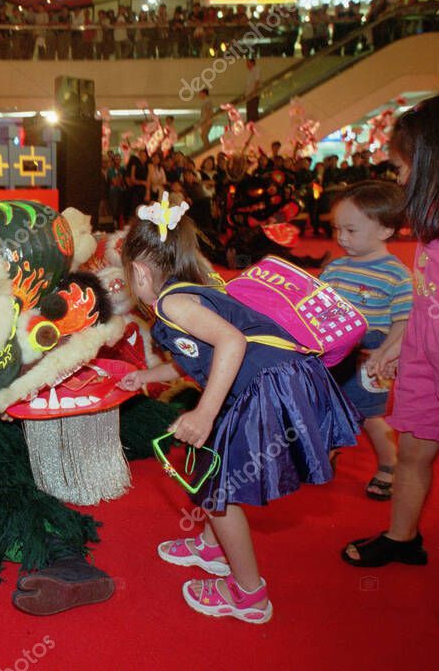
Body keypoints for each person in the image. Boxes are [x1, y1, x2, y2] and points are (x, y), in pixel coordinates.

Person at [118, 201, 358, 624]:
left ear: (139, 270)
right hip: (268, 384)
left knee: (217, 487)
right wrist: (146, 377)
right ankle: (213, 549)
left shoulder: (175, 304)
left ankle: (249, 594)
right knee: (217, 477)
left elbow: (231, 344)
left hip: (268, 389)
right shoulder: (187, 293)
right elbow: (197, 356)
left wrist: (205, 414)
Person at [342, 92, 439, 590]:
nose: (402, 178)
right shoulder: (433, 228)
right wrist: (395, 346)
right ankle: (403, 537)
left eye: (407, 166)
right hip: (427, 362)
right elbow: (427, 304)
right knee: (413, 453)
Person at [321, 181, 413, 500]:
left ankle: (389, 464)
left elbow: (403, 320)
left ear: (386, 229)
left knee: (372, 416)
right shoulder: (334, 268)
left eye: (351, 230)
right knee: (326, 407)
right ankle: (327, 452)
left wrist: (387, 353)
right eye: (337, 229)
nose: (341, 237)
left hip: (370, 361)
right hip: (333, 356)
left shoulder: (396, 275)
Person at [245, 57, 262, 122]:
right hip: (249, 96)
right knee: (249, 113)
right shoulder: (250, 72)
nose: (246, 64)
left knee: (253, 113)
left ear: (251, 62)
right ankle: (250, 125)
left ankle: (254, 125)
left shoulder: (257, 69)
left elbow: (257, 81)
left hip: (253, 95)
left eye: (247, 62)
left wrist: (253, 92)